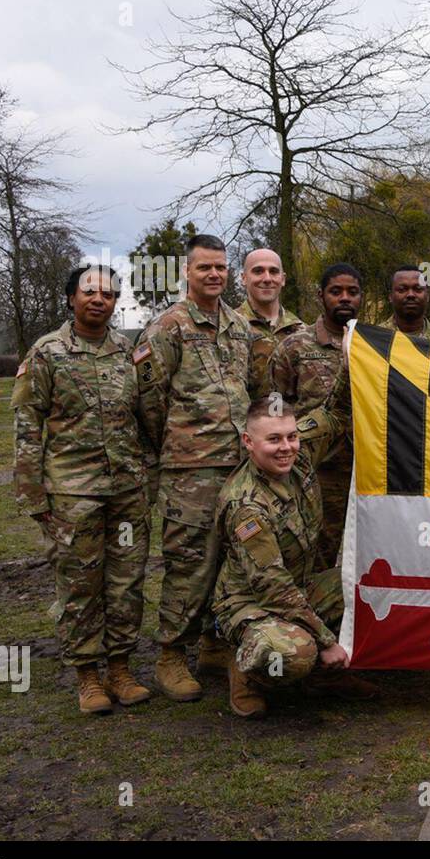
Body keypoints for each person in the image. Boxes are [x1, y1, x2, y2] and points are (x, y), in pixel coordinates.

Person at [12, 265, 153, 714]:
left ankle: (121, 668)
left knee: (126, 581)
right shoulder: (47, 352)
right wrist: (34, 497)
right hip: (73, 493)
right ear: (71, 297)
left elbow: (145, 418)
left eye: (109, 294)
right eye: (89, 292)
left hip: (127, 491)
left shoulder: (126, 352)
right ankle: (87, 676)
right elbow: (27, 427)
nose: (100, 300)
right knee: (80, 585)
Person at [134, 233, 254, 701]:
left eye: (221, 266)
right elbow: (149, 400)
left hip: (238, 466)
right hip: (191, 468)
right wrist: (180, 441)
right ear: (186, 271)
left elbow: (250, 388)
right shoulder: (168, 327)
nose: (214, 274)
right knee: (189, 562)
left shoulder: (239, 326)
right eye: (204, 267)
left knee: (230, 557)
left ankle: (213, 643)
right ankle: (170, 655)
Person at [214, 397, 378, 718]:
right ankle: (249, 671)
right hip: (251, 604)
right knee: (294, 653)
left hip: (298, 588)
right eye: (273, 440)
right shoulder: (247, 506)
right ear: (248, 441)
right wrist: (328, 642)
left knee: (366, 586)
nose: (286, 447)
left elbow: (335, 411)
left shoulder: (296, 455)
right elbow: (273, 590)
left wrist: (350, 350)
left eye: (291, 436)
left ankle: (322, 678)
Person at [269, 263, 361, 566]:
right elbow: (274, 410)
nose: (344, 298)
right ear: (321, 296)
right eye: (336, 292)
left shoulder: (373, 346)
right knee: (319, 551)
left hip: (367, 470)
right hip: (318, 472)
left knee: (367, 555)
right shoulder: (294, 347)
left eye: (352, 292)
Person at [237, 248, 303, 399]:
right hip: (246, 420)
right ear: (244, 278)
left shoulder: (302, 332)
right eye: (258, 271)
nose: (267, 278)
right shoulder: (228, 328)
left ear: (283, 279)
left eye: (273, 271)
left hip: (292, 421)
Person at [381, 264, 430, 337]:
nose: (411, 295)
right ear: (390, 296)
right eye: (402, 290)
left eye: (418, 289)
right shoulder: (374, 337)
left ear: (428, 295)